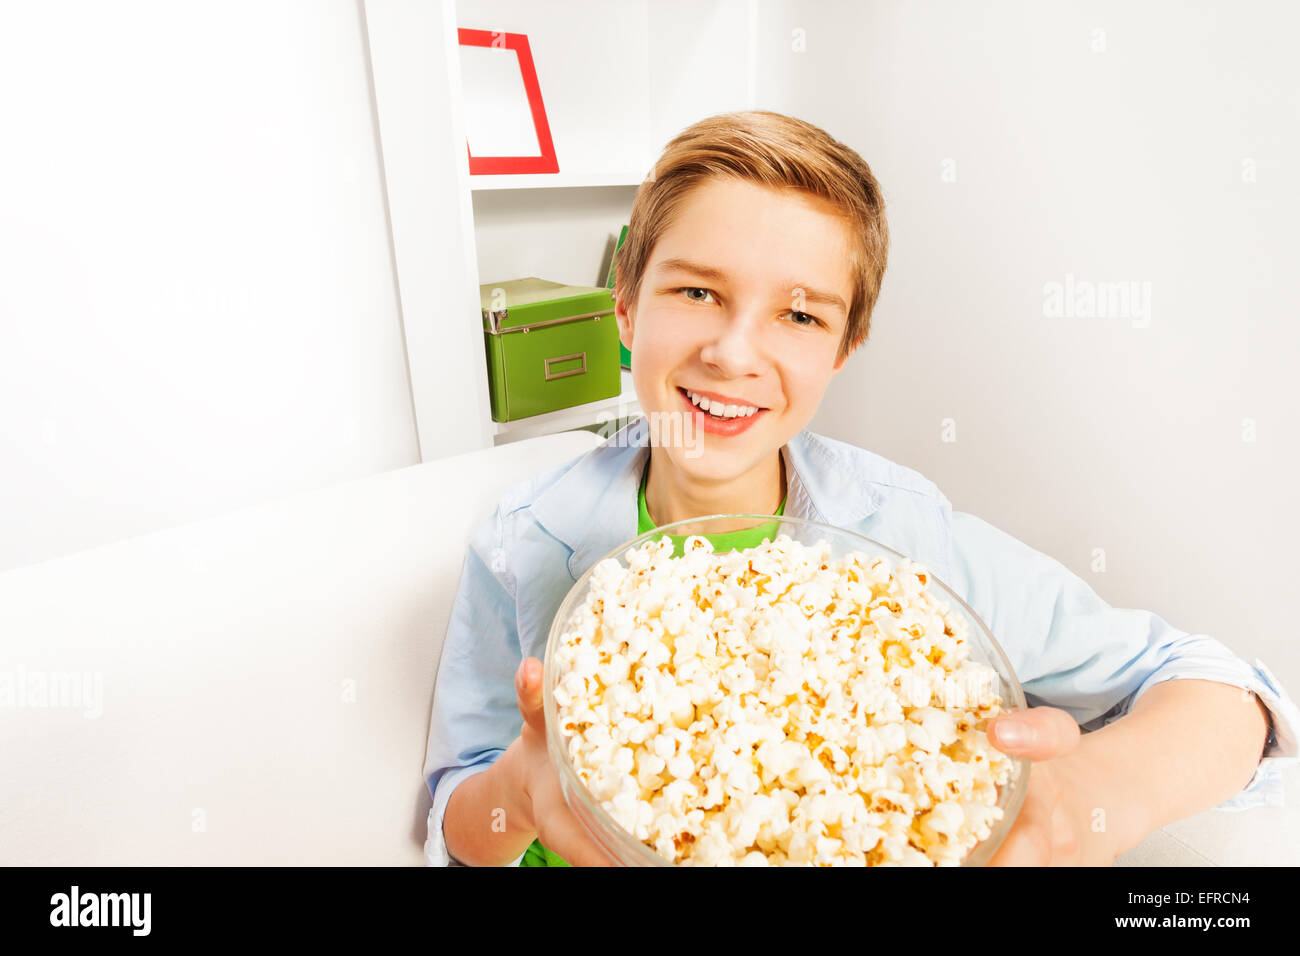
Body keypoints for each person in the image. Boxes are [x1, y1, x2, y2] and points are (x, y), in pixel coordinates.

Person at [423, 110, 1298, 867]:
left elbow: (1224, 690)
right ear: (624, 307)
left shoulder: (904, 541)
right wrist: (519, 794)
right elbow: (458, 822)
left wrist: (1087, 800)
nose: (733, 353)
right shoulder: (523, 541)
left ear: (843, 348)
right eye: (696, 290)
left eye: (800, 315)